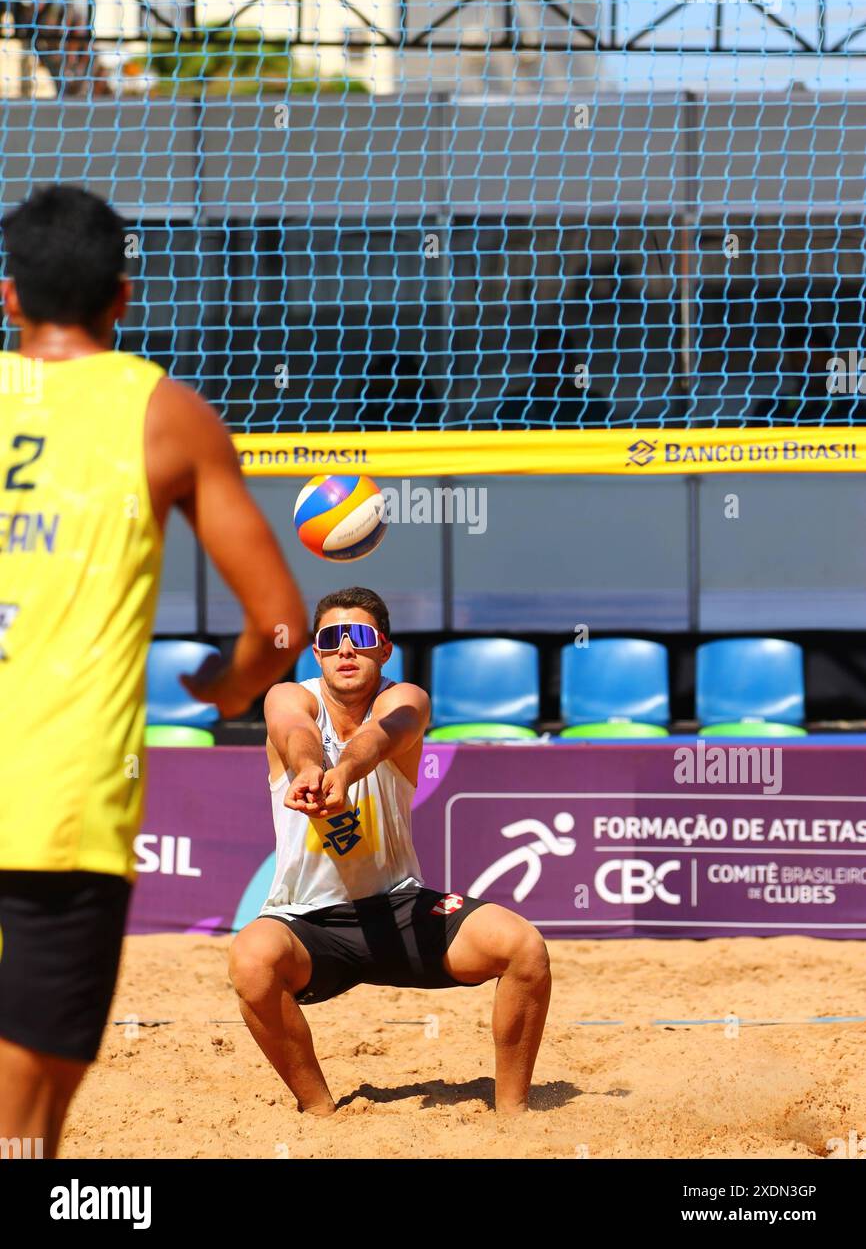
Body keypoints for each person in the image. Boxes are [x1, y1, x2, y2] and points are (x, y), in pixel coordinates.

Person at [0, 184, 308, 1158]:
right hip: (62, 802)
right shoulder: (165, 414)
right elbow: (279, 625)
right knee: (28, 1122)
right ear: (123, 296)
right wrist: (226, 686)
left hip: (56, 805)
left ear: (8, 298)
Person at [229, 586, 551, 1116]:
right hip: (308, 921)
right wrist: (310, 770)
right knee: (250, 960)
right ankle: (319, 1114)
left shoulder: (408, 699)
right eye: (332, 639)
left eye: (360, 638)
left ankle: (513, 1116)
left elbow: (382, 736)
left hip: (398, 908)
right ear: (317, 652)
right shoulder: (288, 696)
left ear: (384, 649)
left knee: (525, 950)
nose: (346, 650)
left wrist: (342, 775)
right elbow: (295, 732)